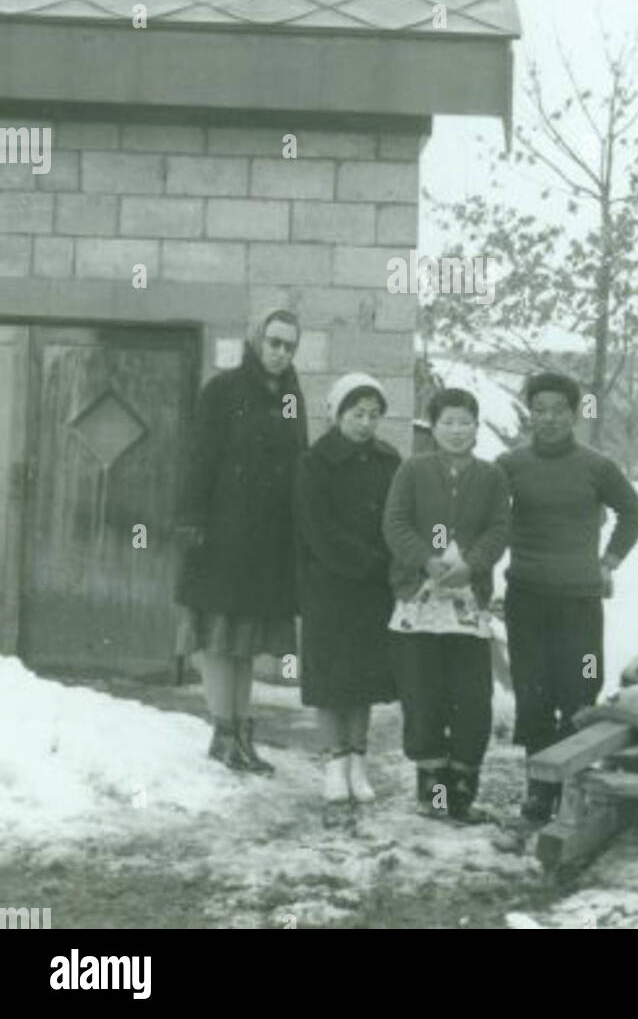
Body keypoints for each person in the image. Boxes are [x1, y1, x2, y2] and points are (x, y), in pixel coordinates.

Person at [497, 371, 638, 823]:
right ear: (530, 414)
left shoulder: (597, 466)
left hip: (579, 600)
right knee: (533, 691)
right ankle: (540, 788)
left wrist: (608, 563)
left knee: (579, 688)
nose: (548, 419)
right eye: (539, 410)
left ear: (575, 414)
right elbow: (482, 516)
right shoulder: (509, 466)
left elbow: (633, 512)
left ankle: (574, 781)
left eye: (558, 411)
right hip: (526, 599)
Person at [175, 308, 308, 774]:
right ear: (256, 340)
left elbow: (299, 459)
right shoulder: (223, 390)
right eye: (274, 342)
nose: (280, 353)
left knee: (246, 639)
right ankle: (223, 732)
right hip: (222, 535)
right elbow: (200, 458)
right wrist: (192, 520)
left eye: (289, 345)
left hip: (269, 541)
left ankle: (239, 730)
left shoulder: (291, 396)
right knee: (218, 634)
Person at [383, 388, 510, 824]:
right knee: (424, 696)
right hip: (419, 603)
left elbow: (498, 529)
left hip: (467, 606)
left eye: (465, 422)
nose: (457, 431)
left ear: (476, 426)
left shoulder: (491, 477)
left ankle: (462, 792)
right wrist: (426, 560)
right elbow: (395, 523)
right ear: (432, 427)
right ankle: (433, 794)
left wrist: (472, 566)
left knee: (472, 698)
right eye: (448, 422)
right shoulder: (413, 471)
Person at [297, 374, 401, 808]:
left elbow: (398, 515)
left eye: (373, 415)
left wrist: (388, 561)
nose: (364, 423)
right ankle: (333, 764)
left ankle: (358, 760)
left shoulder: (388, 460)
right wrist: (363, 561)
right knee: (330, 680)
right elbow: (315, 526)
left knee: (364, 679)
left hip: (374, 587)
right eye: (356, 414)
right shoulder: (315, 462)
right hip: (329, 584)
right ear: (337, 414)